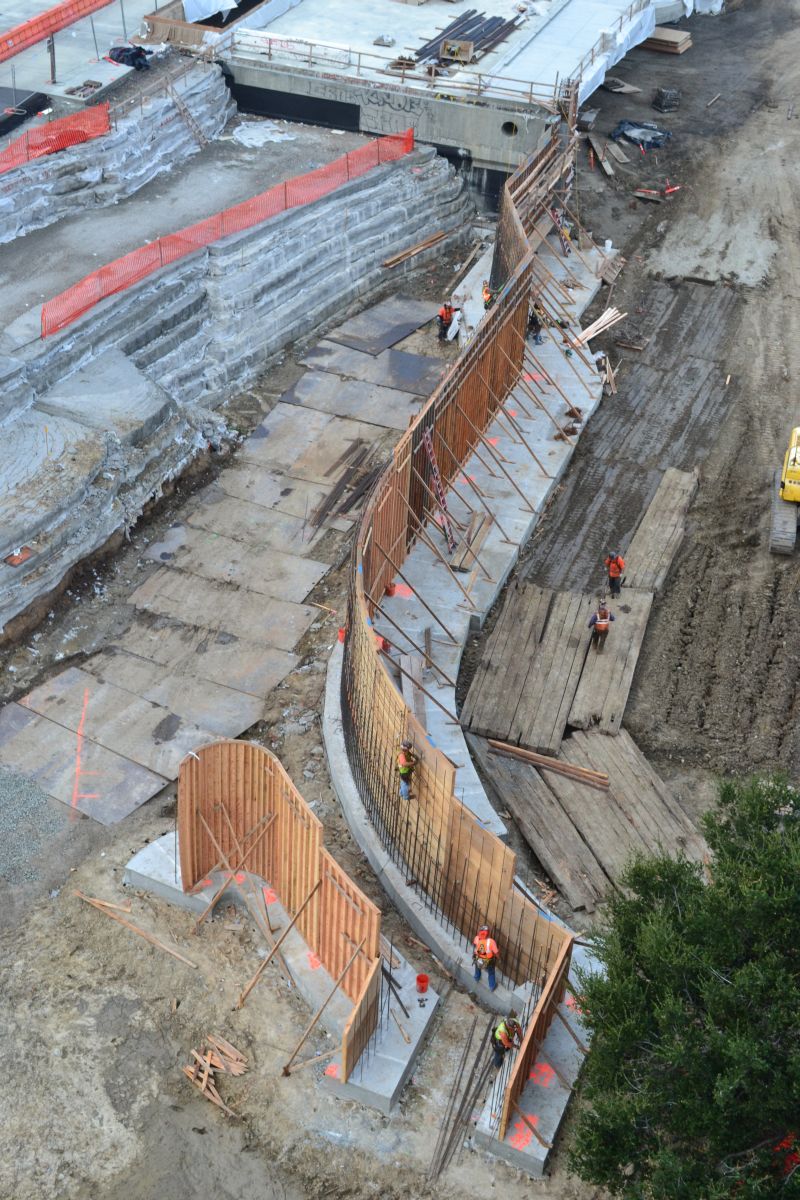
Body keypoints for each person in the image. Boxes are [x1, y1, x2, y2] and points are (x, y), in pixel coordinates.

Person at [473, 924, 499, 991]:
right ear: (488, 934)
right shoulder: (491, 942)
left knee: (477, 966)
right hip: (488, 962)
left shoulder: (477, 938)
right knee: (491, 973)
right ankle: (492, 986)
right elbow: (496, 953)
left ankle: (476, 978)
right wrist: (499, 958)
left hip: (478, 959)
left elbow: (476, 946)